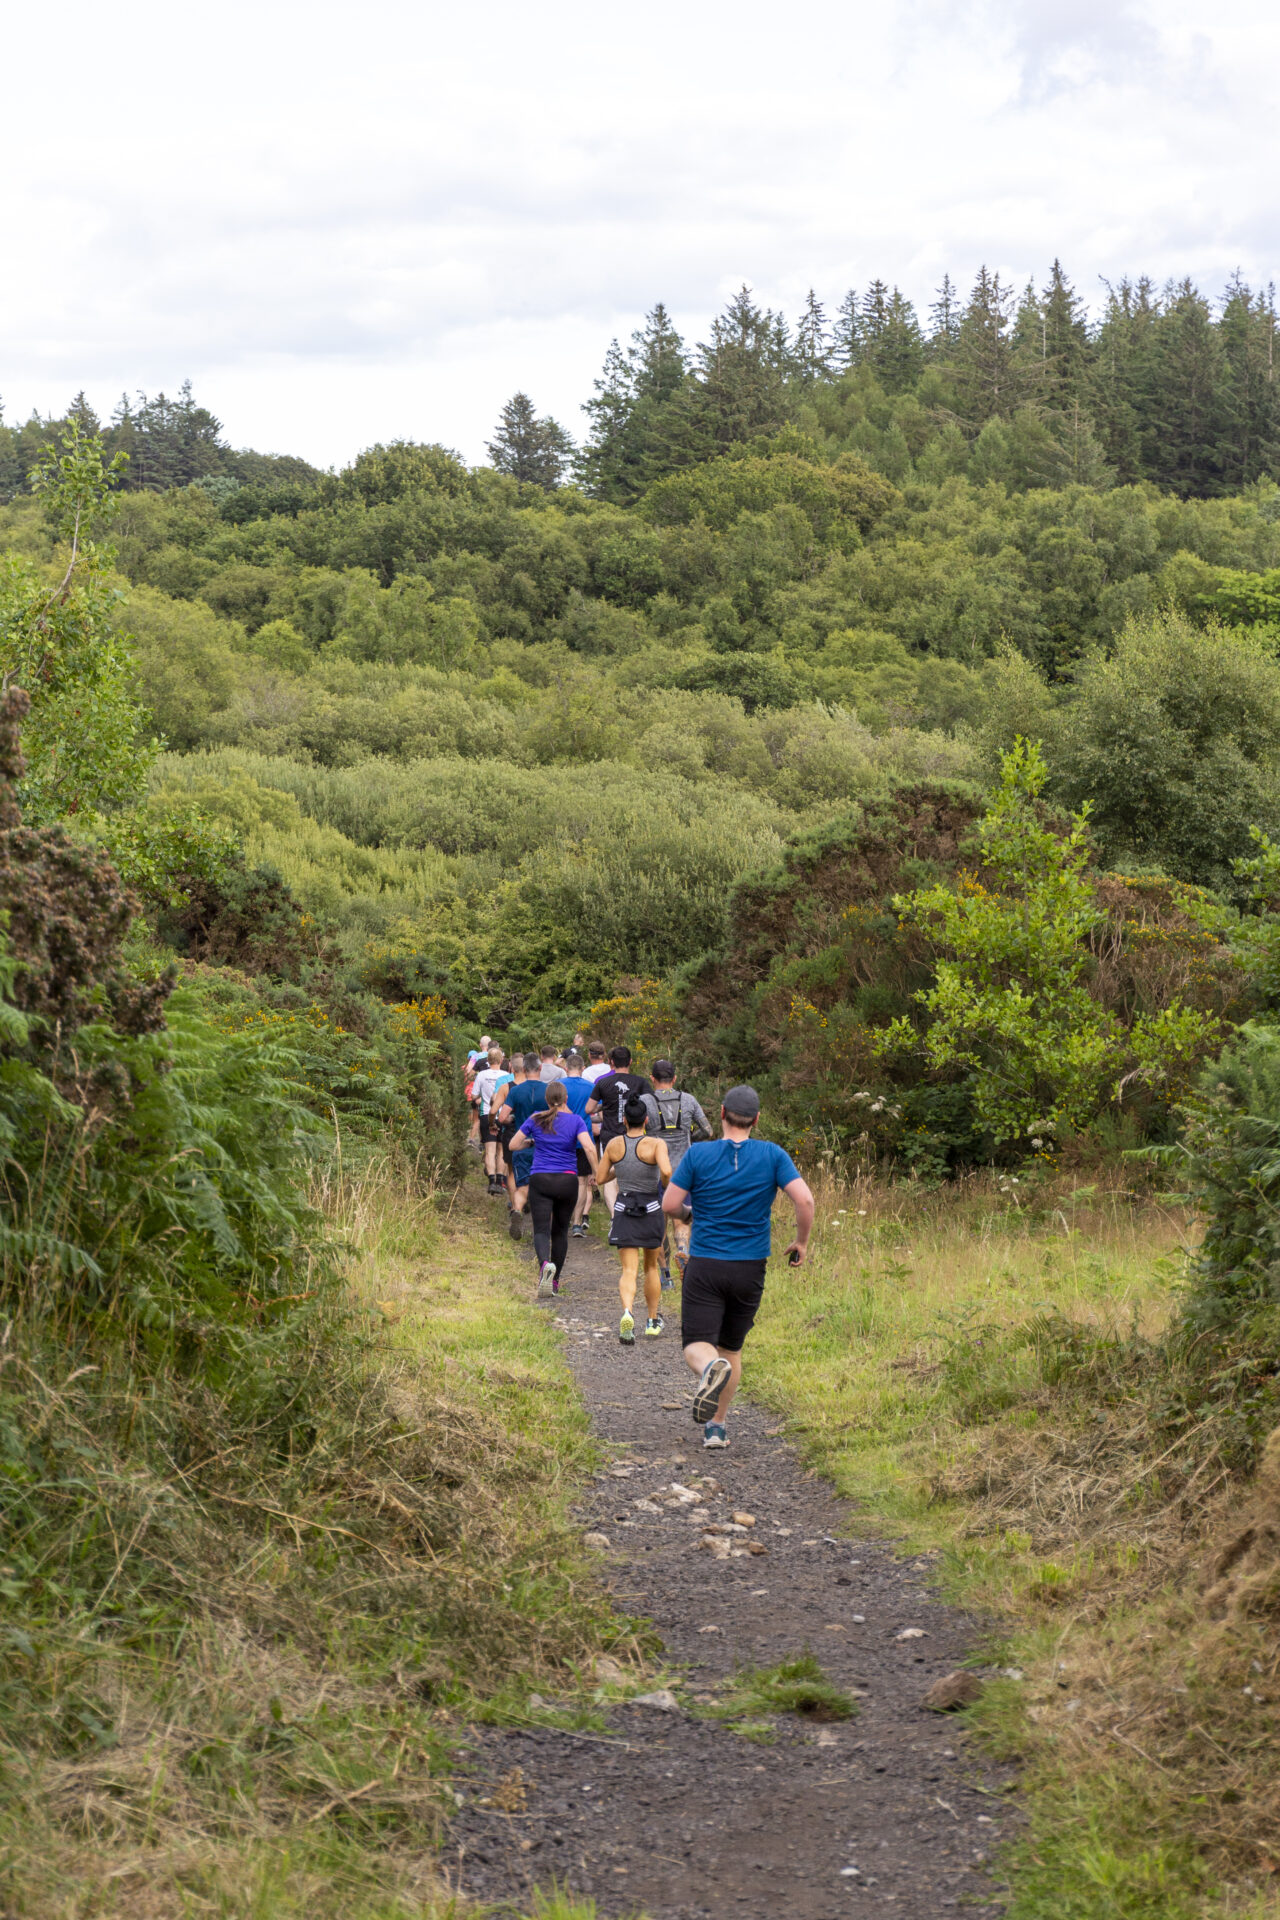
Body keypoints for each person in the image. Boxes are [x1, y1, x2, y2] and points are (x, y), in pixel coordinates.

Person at [662, 1085, 814, 1450]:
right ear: (756, 1120)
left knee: (697, 1345)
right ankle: (717, 1427)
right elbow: (805, 1199)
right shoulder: (773, 1155)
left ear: (722, 1114)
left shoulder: (699, 1153)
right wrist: (801, 1241)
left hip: (707, 1263)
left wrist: (689, 1214)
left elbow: (670, 1204)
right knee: (731, 1349)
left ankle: (707, 1371)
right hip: (750, 1268)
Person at [510, 1082, 599, 1298]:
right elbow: (588, 1147)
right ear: (566, 1098)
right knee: (560, 1232)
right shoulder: (576, 1121)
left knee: (541, 1230)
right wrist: (596, 1173)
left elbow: (513, 1145)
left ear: (547, 1100)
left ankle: (544, 1266)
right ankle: (555, 1281)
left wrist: (532, 1143)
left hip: (540, 1179)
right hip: (567, 1181)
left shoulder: (535, 1118)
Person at [598, 1096, 672, 1344]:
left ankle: (628, 1312)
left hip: (624, 1206)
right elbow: (667, 1171)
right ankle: (652, 1321)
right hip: (651, 1207)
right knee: (651, 1266)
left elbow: (599, 1178)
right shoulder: (656, 1144)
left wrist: (618, 1169)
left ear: (624, 1120)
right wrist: (662, 1186)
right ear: (647, 1120)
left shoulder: (614, 1144)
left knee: (628, 1269)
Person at [641, 1060, 711, 1286]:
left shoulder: (646, 1101)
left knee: (657, 1223)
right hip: (684, 1170)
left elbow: (636, 1132)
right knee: (681, 1219)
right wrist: (690, 1139)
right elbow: (708, 1130)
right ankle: (683, 1250)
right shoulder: (688, 1100)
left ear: (652, 1078)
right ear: (674, 1078)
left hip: (656, 1171)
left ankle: (666, 1276)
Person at [586, 1047, 653, 1217]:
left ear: (611, 1062)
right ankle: (633, 1211)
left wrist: (606, 1106)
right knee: (633, 1173)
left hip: (609, 1135)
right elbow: (651, 1108)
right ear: (630, 1061)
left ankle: (616, 1216)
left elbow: (589, 1109)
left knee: (610, 1178)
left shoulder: (602, 1083)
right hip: (635, 1135)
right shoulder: (641, 1083)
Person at [496, 1053, 546, 1238]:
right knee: (544, 1186)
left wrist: (514, 1117)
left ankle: (517, 1210)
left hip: (522, 1144)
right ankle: (543, 1225)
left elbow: (502, 1117)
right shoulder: (548, 1090)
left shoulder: (515, 1091)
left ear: (523, 1070)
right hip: (544, 1146)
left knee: (522, 1186)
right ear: (540, 1068)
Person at [559, 1053, 597, 1238]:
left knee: (562, 1178)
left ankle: (562, 1217)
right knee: (582, 1181)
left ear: (566, 1068)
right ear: (583, 1068)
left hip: (561, 1137)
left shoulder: (558, 1087)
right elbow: (596, 1111)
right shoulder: (591, 1087)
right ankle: (576, 1224)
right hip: (584, 1138)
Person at [470, 1045, 514, 1195]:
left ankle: (491, 1181)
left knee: (490, 1150)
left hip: (486, 1113)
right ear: (501, 1060)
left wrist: (482, 1097)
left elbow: (474, 1095)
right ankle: (500, 1180)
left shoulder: (481, 1075)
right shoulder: (508, 1076)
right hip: (503, 1116)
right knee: (501, 1149)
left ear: (488, 1060)